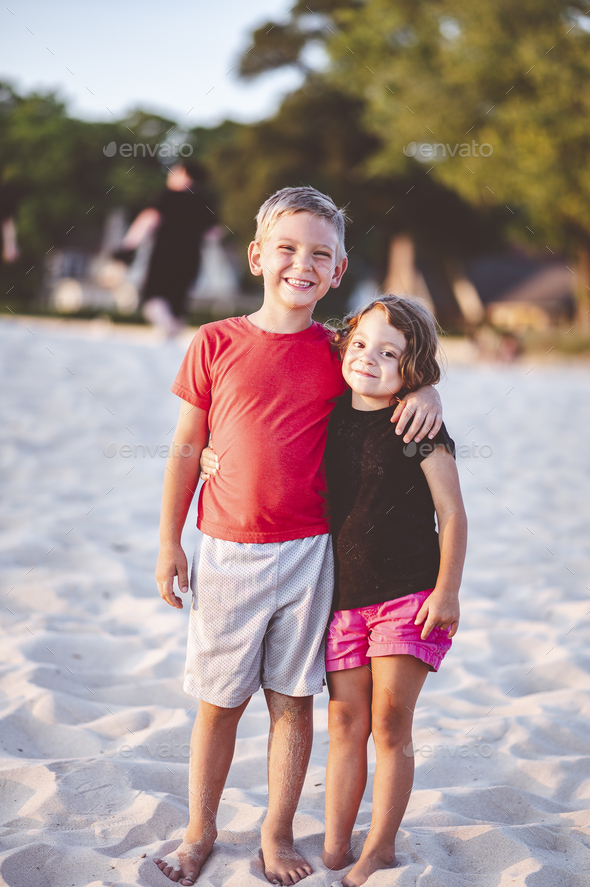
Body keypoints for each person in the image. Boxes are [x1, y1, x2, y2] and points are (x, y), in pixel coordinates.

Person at [153, 187, 443, 887]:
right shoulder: (215, 341)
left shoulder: (338, 350)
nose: (301, 264)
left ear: (339, 269)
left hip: (312, 554)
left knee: (293, 700)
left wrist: (429, 389)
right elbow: (187, 447)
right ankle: (199, 830)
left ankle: (277, 832)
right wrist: (169, 541)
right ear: (257, 255)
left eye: (321, 253)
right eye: (287, 248)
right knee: (219, 701)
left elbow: (396, 357)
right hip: (225, 550)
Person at [320, 295, 467, 886]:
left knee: (390, 719)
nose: (369, 359)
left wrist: (447, 591)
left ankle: (379, 848)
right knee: (344, 721)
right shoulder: (327, 412)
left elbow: (451, 513)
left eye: (389, 353)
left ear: (414, 369)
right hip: (341, 596)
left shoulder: (419, 424)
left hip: (409, 593)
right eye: (361, 345)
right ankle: (335, 843)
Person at [119, 161, 219, 337]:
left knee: (152, 300)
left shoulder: (168, 196)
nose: (169, 176)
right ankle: (175, 336)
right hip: (191, 259)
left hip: (164, 257)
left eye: (174, 172)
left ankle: (168, 329)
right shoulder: (206, 201)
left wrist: (128, 247)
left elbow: (148, 220)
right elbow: (213, 233)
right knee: (177, 303)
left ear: (186, 176)